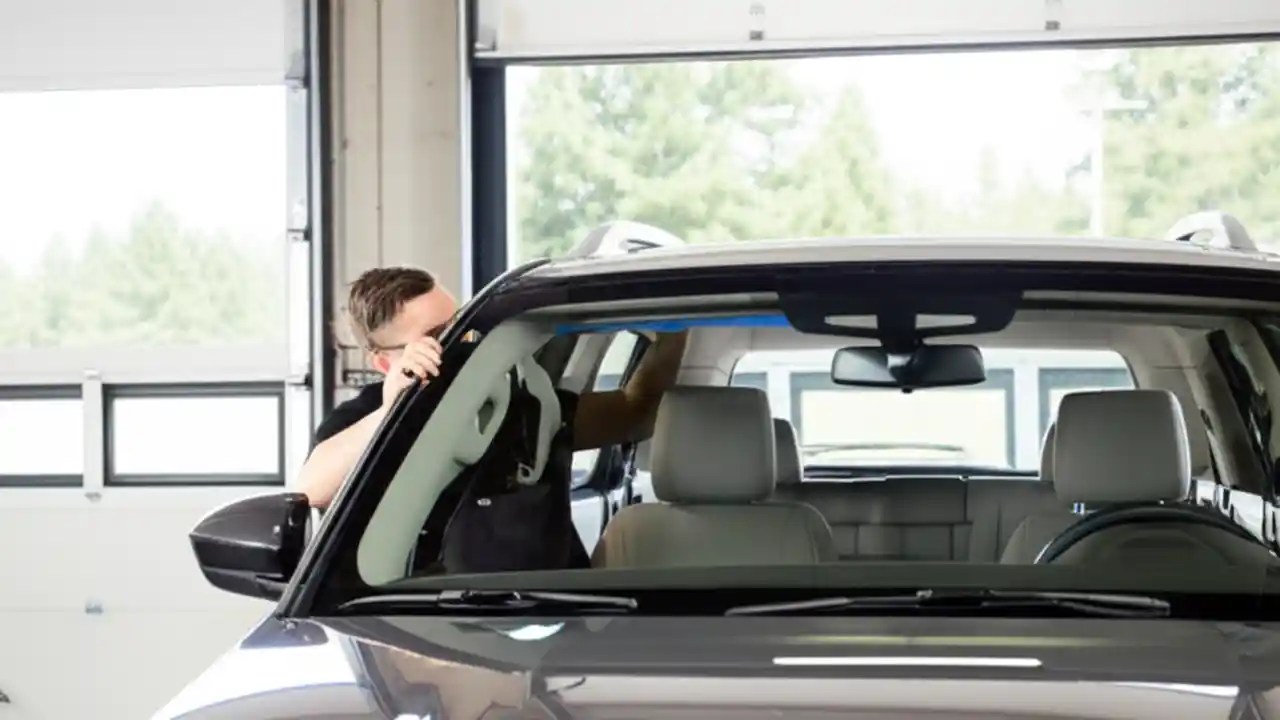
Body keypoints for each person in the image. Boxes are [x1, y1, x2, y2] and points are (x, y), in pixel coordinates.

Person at [298, 266, 687, 508]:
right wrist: (391, 413)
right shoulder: (364, 420)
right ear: (384, 361)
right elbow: (312, 490)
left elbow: (634, 414)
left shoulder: (521, 401)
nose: (466, 339)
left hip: (557, 610)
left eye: (464, 323)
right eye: (439, 337)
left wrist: (676, 330)